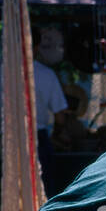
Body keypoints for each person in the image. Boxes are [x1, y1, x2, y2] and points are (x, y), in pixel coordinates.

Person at [33, 27, 69, 192]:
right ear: (36, 46)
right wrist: (56, 134)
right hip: (38, 140)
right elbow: (60, 115)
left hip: (6, 140)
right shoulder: (47, 75)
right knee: (43, 190)